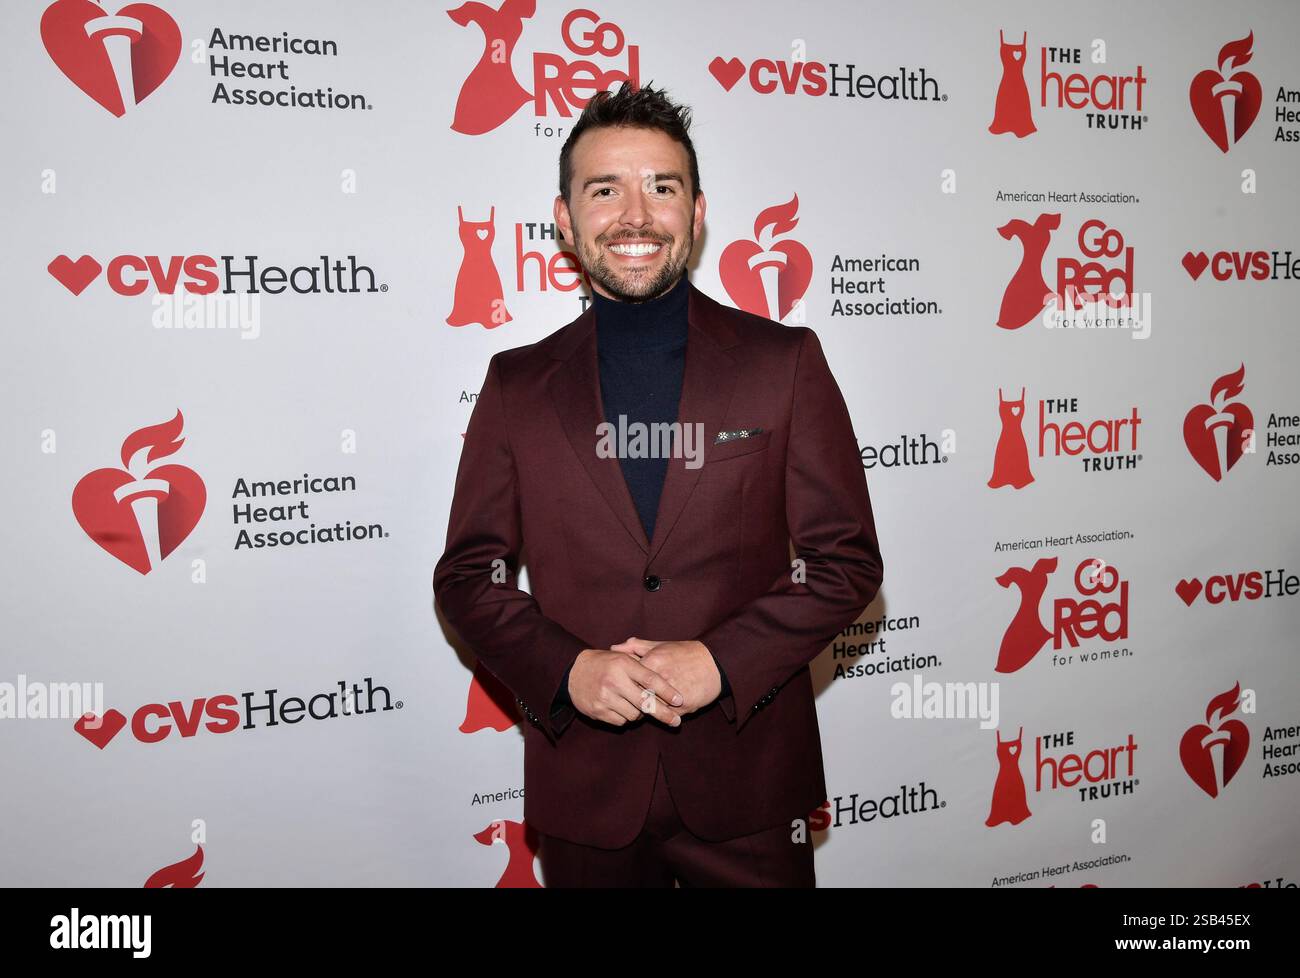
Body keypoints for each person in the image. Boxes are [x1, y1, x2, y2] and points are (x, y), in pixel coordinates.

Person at [433, 81, 883, 887]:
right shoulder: (515, 385)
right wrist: (570, 672)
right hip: (587, 792)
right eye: (605, 189)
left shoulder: (785, 364)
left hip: (749, 783)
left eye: (661, 187)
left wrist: (722, 659)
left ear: (697, 212)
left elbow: (845, 562)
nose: (635, 215)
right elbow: (468, 578)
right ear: (566, 220)